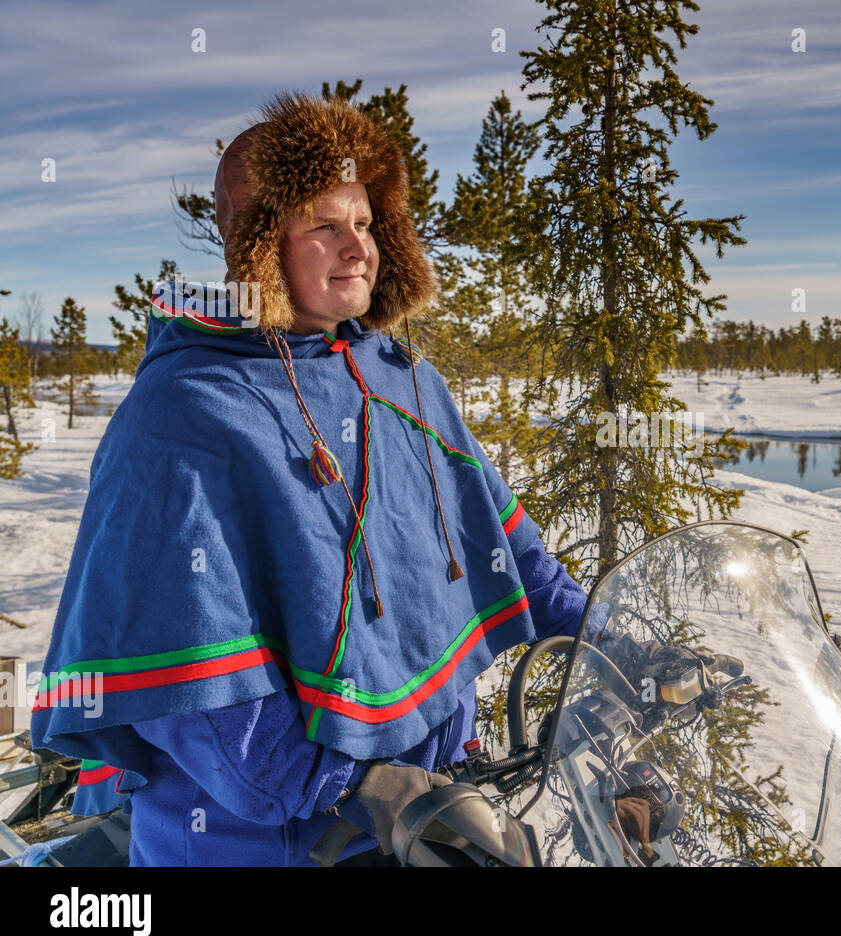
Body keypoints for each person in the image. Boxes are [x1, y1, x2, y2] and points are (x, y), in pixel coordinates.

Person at [31, 91, 588, 866]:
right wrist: (351, 782)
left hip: (431, 809)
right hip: (264, 839)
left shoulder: (401, 382)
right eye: (325, 225)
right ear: (260, 245)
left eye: (364, 223)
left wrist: (608, 634)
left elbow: (503, 543)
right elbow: (193, 686)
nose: (357, 247)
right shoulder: (185, 414)